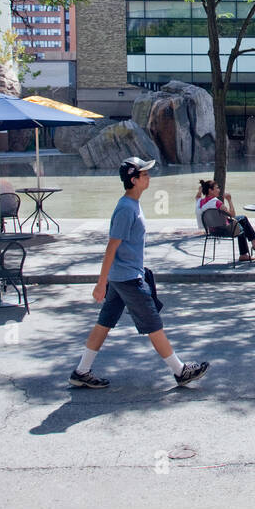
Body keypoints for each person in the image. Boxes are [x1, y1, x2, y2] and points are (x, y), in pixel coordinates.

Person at [69, 157, 209, 389]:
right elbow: (111, 247)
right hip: (127, 279)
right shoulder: (125, 209)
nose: (149, 177)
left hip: (122, 276)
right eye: (144, 174)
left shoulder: (132, 204)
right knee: (153, 325)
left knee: (104, 323)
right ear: (134, 180)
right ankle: (180, 370)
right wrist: (100, 284)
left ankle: (81, 371)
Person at [195, 179, 255, 262]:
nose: (219, 190)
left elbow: (197, 197)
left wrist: (200, 191)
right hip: (225, 230)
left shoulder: (200, 203)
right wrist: (229, 200)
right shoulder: (216, 203)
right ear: (210, 190)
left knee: (240, 221)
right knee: (242, 220)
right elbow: (233, 215)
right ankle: (246, 251)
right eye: (217, 188)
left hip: (212, 230)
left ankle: (252, 245)